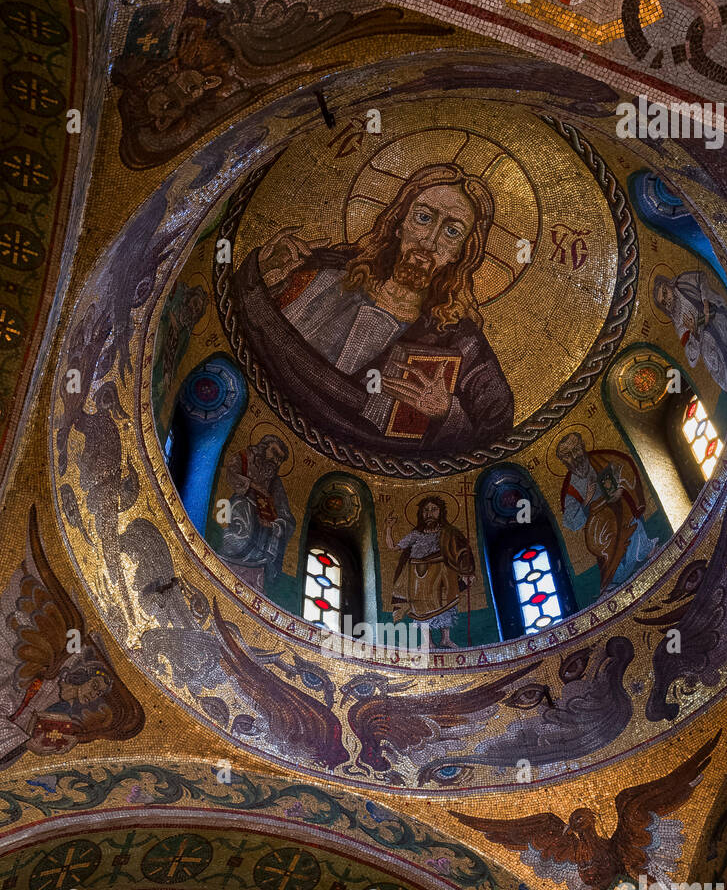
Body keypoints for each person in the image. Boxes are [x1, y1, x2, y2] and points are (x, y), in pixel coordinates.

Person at [235, 162, 514, 454]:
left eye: (452, 232)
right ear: (399, 223)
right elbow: (254, 320)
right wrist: (264, 277)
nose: (429, 242)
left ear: (461, 253)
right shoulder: (323, 273)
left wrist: (448, 411)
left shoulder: (460, 343)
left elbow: (495, 432)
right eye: (422, 217)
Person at [557, 430, 657, 593]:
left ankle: (646, 550)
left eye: (576, 450)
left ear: (583, 447)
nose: (574, 457)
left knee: (627, 516)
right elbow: (571, 523)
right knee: (606, 545)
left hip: (618, 509)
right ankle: (615, 578)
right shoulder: (570, 487)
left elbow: (622, 472)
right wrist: (587, 500)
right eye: (568, 455)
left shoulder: (600, 460)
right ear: (562, 461)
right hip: (598, 528)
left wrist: (618, 485)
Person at [389, 496, 475, 647]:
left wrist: (468, 571)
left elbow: (463, 551)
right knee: (419, 605)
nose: (429, 513)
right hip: (417, 572)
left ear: (441, 512)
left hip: (443, 570)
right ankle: (428, 642)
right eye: (426, 510)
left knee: (446, 601)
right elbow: (394, 548)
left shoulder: (449, 532)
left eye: (434, 509)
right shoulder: (415, 534)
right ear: (421, 514)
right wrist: (388, 528)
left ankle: (445, 638)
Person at [217, 433, 295, 586]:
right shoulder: (243, 458)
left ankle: (261, 558)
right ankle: (232, 549)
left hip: (266, 515)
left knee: (272, 527)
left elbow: (284, 510)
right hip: (241, 502)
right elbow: (232, 473)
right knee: (243, 510)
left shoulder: (275, 481)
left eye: (280, 459)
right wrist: (253, 485)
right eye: (275, 453)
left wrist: (275, 525)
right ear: (263, 447)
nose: (276, 461)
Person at [652, 270, 727, 396]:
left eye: (665, 293)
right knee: (708, 352)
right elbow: (692, 359)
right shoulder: (677, 322)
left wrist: (705, 302)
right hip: (705, 337)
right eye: (664, 302)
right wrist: (694, 332)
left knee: (716, 339)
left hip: (716, 317)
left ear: (669, 284)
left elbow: (701, 276)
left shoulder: (682, 283)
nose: (668, 300)